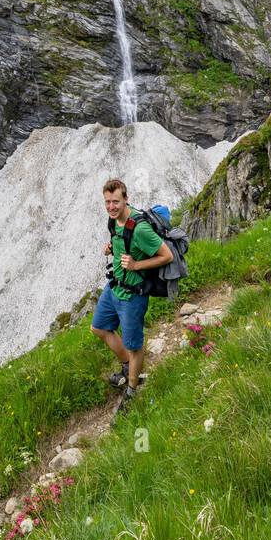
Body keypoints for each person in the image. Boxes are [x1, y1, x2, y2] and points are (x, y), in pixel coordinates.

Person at [91, 177, 172, 414]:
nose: (111, 207)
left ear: (126, 199)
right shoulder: (114, 221)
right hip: (114, 287)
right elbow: (121, 242)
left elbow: (166, 256)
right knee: (98, 328)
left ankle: (132, 390)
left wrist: (136, 265)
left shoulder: (141, 229)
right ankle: (128, 367)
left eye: (115, 202)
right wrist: (111, 248)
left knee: (134, 345)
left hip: (133, 295)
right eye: (107, 202)